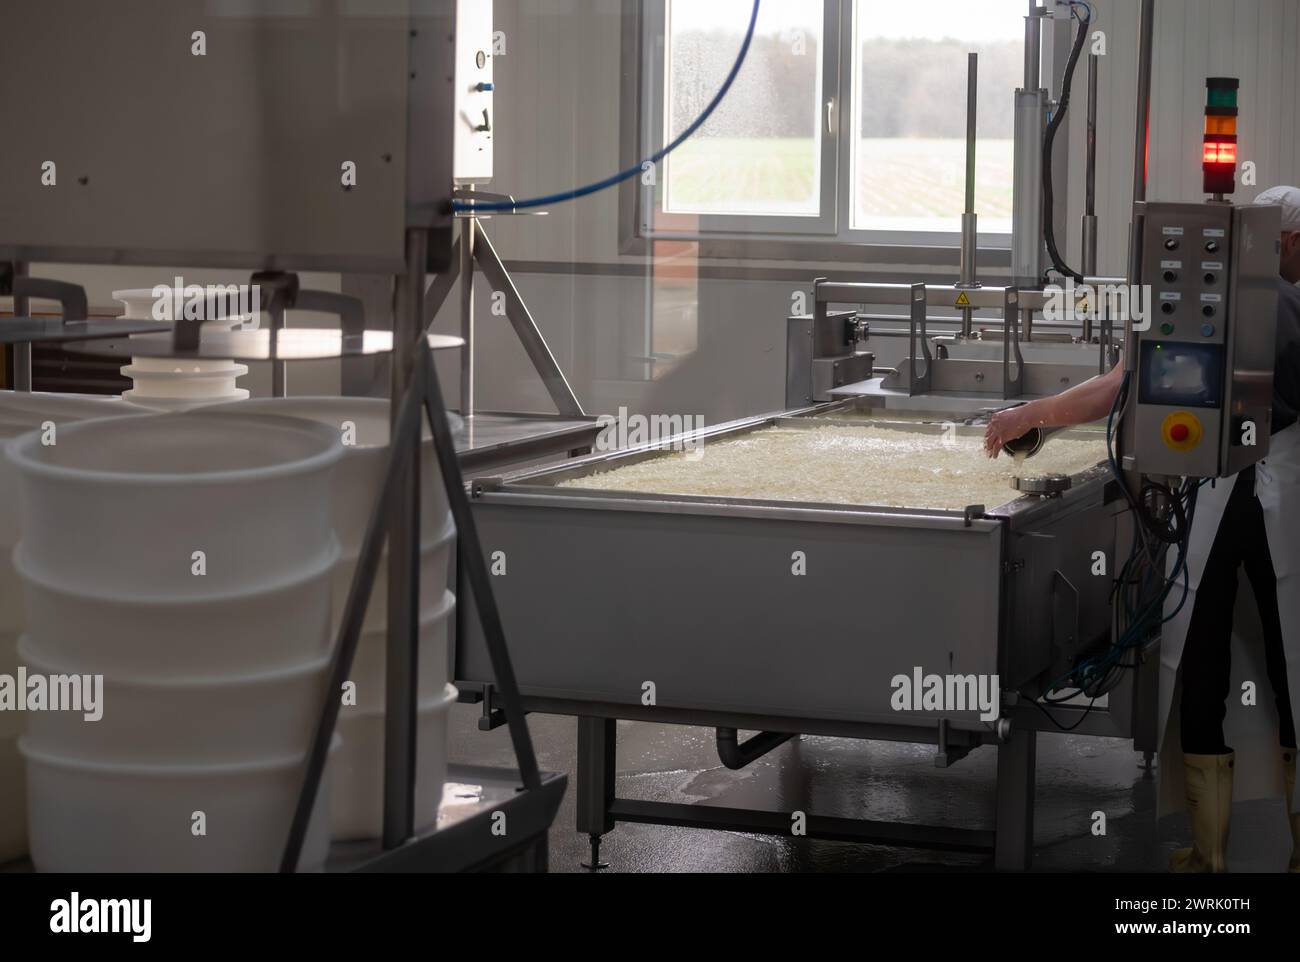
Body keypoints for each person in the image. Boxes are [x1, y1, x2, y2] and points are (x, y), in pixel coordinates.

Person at [984, 185, 1300, 873]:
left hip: (1214, 496)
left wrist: (1030, 414)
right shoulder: (1285, 300)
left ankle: (1208, 854)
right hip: (1273, 497)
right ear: (1286, 241)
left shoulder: (1192, 298)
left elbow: (1123, 384)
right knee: (1290, 664)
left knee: (1203, 665)